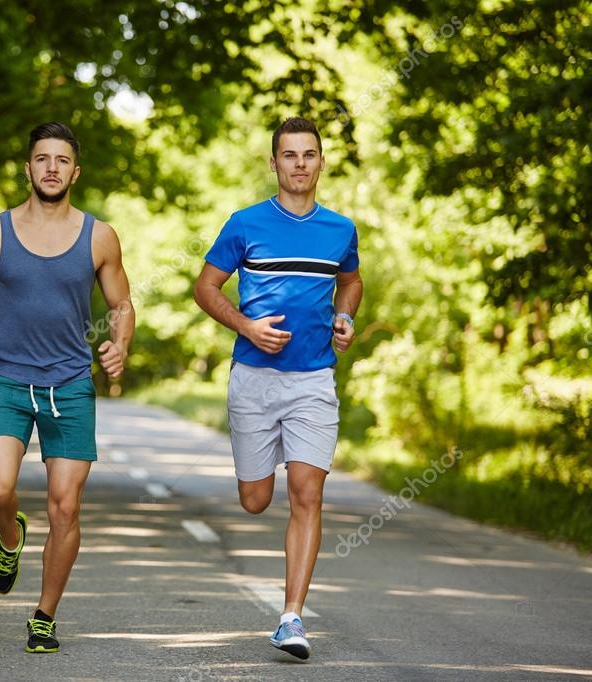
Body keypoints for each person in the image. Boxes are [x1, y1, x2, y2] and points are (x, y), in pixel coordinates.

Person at [0, 121, 134, 653]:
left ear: (74, 172)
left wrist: (120, 345)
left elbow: (121, 305)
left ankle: (43, 616)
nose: (51, 168)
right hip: (7, 380)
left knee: (65, 509)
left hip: (71, 385)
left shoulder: (99, 236)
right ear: (27, 168)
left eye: (61, 160)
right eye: (42, 159)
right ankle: (10, 537)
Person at [193, 116, 363, 660]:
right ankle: (263, 468)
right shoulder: (245, 224)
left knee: (308, 494)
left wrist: (345, 316)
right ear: (274, 163)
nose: (299, 164)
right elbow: (205, 288)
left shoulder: (340, 229)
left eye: (308, 154)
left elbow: (352, 280)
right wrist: (246, 326)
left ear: (320, 161)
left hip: (314, 379)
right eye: (289, 155)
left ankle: (291, 618)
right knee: (255, 499)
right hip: (254, 380)